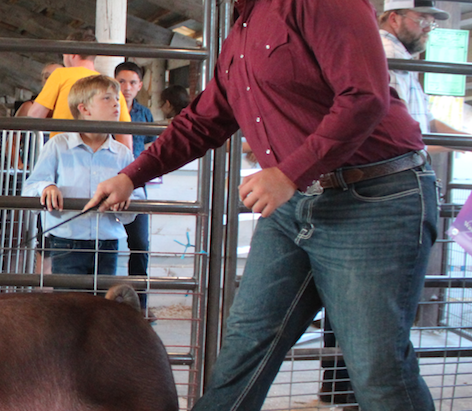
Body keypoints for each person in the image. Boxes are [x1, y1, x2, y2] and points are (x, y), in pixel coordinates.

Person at [85, 0, 438, 409]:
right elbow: (203, 119)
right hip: (297, 205)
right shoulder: (243, 29)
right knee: (245, 349)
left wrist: (289, 173)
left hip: (375, 196)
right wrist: (132, 175)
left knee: (377, 367)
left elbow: (365, 95)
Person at [24, 75, 144, 276]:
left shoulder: (122, 153)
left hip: (107, 242)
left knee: (100, 303)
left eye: (117, 98)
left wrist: (128, 199)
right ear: (84, 109)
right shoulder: (57, 146)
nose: (116, 103)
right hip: (66, 239)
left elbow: (137, 193)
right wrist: (46, 187)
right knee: (70, 301)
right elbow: (31, 186)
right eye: (107, 98)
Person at [27, 30, 132, 149]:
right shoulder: (111, 85)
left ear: (72, 54)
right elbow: (125, 138)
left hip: (63, 150)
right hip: (97, 154)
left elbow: (35, 115)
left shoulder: (60, 75)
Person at [379, 0, 468, 139]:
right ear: (394, 19)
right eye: (422, 20)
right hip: (402, 157)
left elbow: (427, 121)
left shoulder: (403, 56)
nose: (427, 29)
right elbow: (398, 125)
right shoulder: (391, 54)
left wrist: (464, 139)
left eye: (431, 23)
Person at [114, 62, 155, 306]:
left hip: (136, 184)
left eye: (132, 82)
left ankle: (139, 305)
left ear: (139, 86)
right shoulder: (106, 109)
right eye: (121, 81)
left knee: (140, 244)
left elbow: (151, 145)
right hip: (108, 181)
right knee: (101, 244)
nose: (126, 87)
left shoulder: (145, 114)